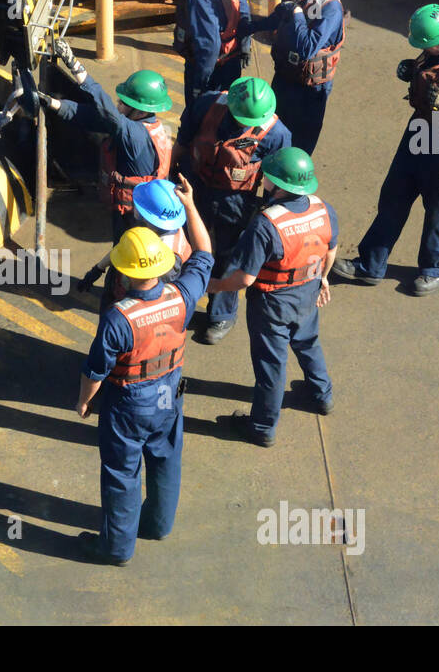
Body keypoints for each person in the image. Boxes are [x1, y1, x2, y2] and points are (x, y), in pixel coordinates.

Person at [76, 175, 214, 566]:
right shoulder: (182, 295)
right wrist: (189, 205)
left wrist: (84, 403)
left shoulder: (119, 318)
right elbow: (204, 252)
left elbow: (96, 370)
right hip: (169, 391)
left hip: (127, 402)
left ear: (124, 271)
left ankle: (117, 549)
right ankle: (158, 525)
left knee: (122, 474)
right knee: (166, 457)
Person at [331, 4, 439, 296]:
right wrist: (415, 71)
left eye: (426, 46)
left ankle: (437, 269)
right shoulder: (437, 49)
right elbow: (431, 71)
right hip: (420, 131)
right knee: (393, 196)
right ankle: (370, 264)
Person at [207, 147, 338, 447]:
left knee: (271, 365)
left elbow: (246, 278)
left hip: (272, 303)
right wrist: (323, 280)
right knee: (308, 343)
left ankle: (263, 426)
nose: (263, 179)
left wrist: (214, 286)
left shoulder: (266, 224)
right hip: (307, 292)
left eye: (269, 176)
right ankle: (322, 395)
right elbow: (330, 249)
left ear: (279, 185)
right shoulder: (322, 208)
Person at [172, 76, 291, 345]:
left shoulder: (276, 133)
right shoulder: (206, 105)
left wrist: (270, 213)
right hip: (194, 186)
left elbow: (278, 177)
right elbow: (182, 141)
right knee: (184, 247)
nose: (244, 127)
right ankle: (180, 300)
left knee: (229, 256)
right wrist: (167, 176)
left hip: (236, 200)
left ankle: (221, 314)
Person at [42, 39, 173, 239]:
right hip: (140, 208)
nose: (119, 104)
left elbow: (106, 110)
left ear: (139, 110)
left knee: (127, 257)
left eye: (124, 102)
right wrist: (53, 104)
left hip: (135, 217)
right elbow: (93, 118)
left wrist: (75, 66)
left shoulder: (134, 136)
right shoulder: (146, 127)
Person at [243, 0, 346, 155]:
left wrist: (296, 12)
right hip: (285, 77)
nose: (281, 1)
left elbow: (307, 48)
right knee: (272, 130)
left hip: (309, 90)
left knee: (299, 145)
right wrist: (246, 26)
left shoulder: (329, 8)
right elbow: (275, 20)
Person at [79, 178, 193, 313]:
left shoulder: (167, 256)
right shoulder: (157, 229)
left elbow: (148, 294)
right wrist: (98, 268)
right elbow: (124, 247)